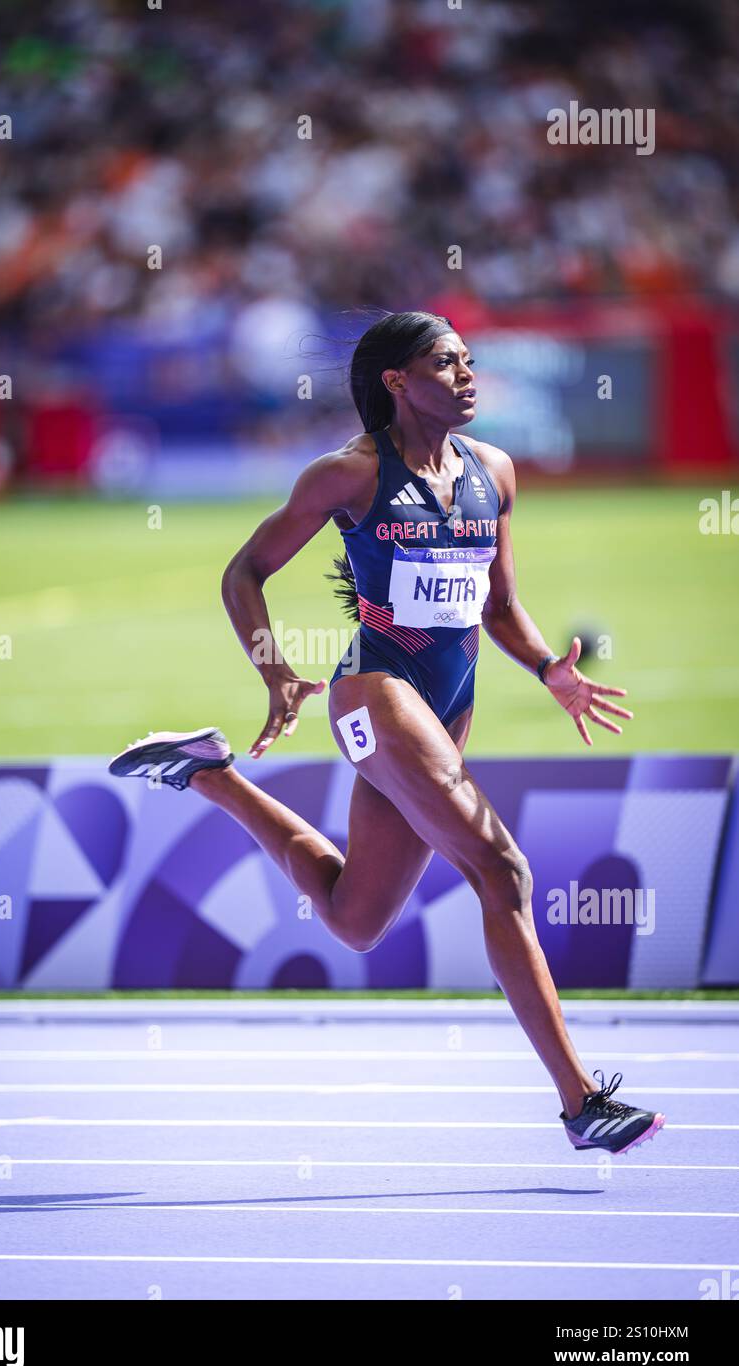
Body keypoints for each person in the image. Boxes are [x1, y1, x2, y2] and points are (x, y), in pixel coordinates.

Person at [110, 310, 665, 1155]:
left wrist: (551, 667)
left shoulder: (496, 472)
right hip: (375, 697)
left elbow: (499, 605)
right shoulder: (350, 475)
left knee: (354, 919)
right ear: (399, 382)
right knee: (501, 869)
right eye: (449, 363)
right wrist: (274, 670)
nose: (470, 375)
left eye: (471, 360)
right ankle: (581, 1099)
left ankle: (211, 777)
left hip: (451, 704)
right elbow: (245, 571)